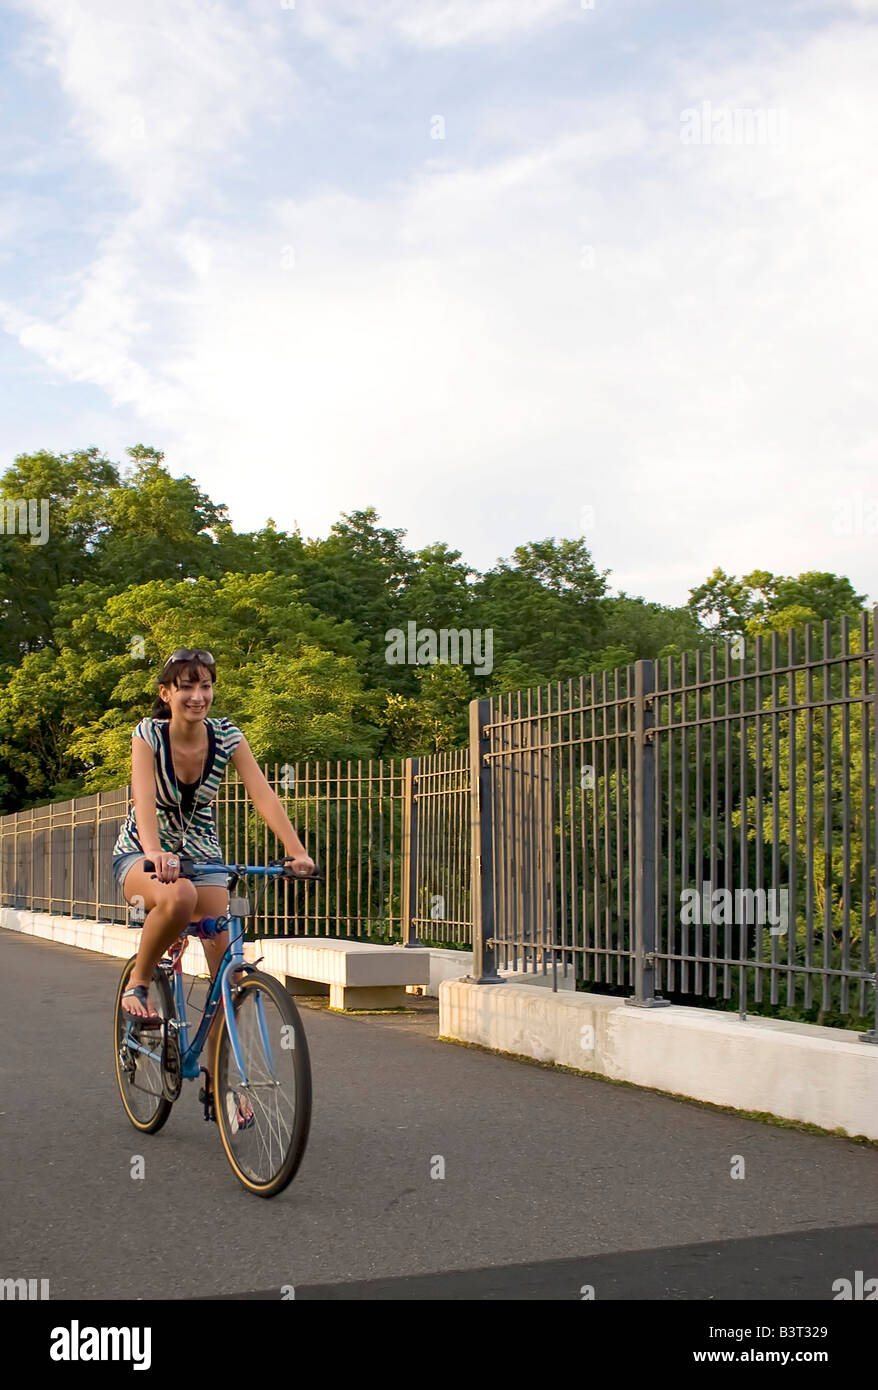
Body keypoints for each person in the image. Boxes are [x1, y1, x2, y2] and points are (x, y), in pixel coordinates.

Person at [111, 647, 316, 1119]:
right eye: (186, 686)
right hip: (143, 853)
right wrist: (154, 851)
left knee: (230, 967)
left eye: (205, 686)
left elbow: (261, 793)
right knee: (178, 896)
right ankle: (139, 982)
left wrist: (296, 851)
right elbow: (144, 800)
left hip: (203, 852)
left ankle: (217, 1078)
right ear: (167, 693)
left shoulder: (227, 737)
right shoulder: (149, 735)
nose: (198, 696)